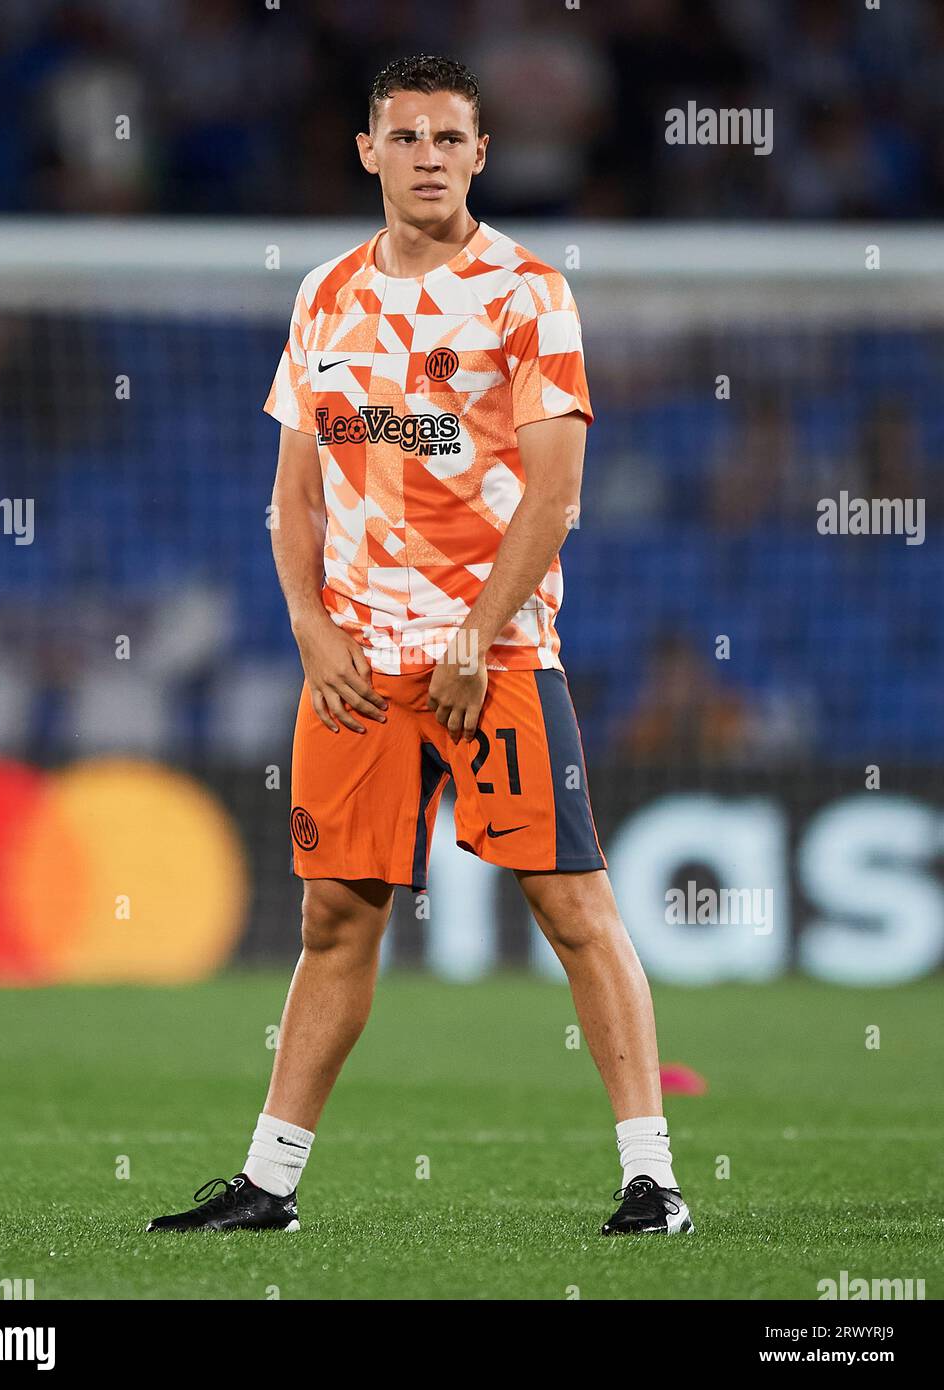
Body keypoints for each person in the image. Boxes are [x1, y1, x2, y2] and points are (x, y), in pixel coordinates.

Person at [148, 53, 694, 1239]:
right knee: (333, 919)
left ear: (481, 155)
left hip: (492, 657)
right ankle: (270, 1185)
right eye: (407, 137)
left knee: (569, 904)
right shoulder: (323, 297)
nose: (429, 157)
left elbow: (552, 496)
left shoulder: (527, 293)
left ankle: (651, 1177)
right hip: (355, 662)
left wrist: (477, 632)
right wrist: (307, 629)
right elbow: (292, 495)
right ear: (369, 151)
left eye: (451, 138)